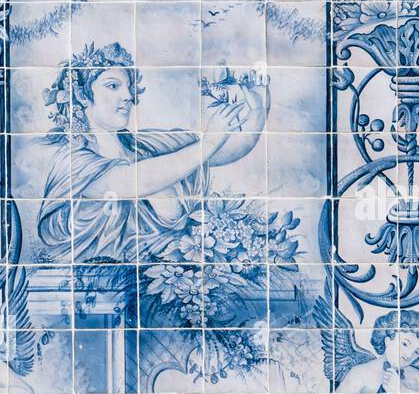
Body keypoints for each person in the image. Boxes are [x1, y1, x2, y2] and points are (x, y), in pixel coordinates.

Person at [36, 42, 269, 264]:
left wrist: (258, 108)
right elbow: (130, 180)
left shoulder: (146, 145)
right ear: (82, 96)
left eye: (129, 87)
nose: (128, 96)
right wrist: (208, 142)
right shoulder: (72, 160)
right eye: (113, 86)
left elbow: (225, 151)